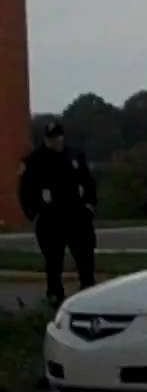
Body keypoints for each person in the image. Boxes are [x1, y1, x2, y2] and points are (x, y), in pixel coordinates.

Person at [18, 121, 98, 307]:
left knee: (85, 257)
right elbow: (26, 191)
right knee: (53, 261)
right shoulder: (34, 160)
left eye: (58, 137)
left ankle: (89, 293)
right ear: (46, 139)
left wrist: (90, 205)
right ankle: (55, 297)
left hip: (77, 215)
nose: (56, 141)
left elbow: (88, 182)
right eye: (51, 138)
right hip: (50, 219)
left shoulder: (75, 155)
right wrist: (34, 214)